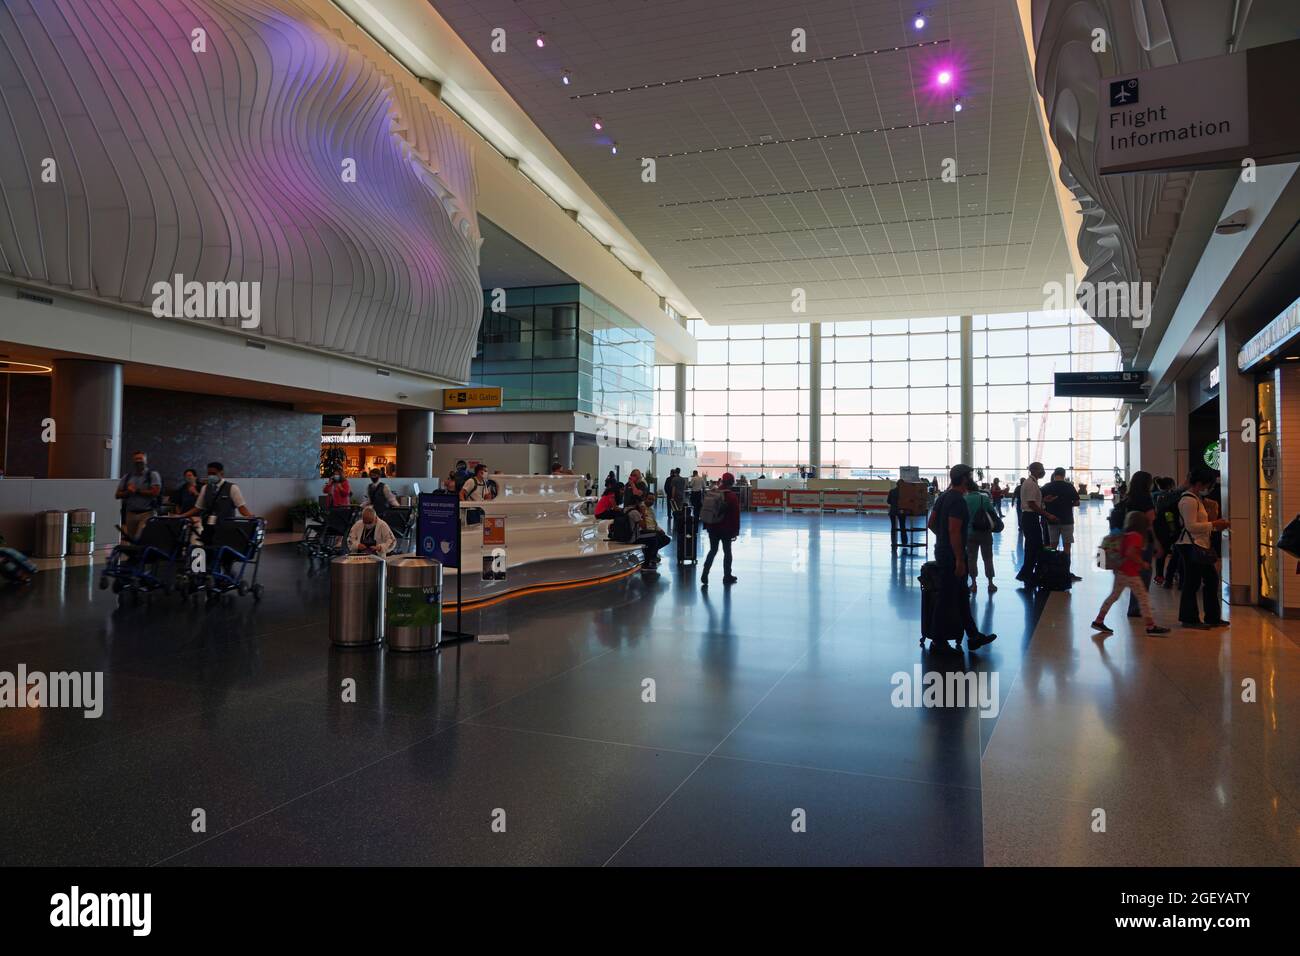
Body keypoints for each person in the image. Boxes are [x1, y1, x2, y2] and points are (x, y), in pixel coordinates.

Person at [927, 464, 996, 651]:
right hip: (952, 555)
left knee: (961, 596)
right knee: (946, 597)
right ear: (965, 478)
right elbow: (955, 531)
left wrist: (942, 539)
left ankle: (973, 635)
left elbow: (931, 523)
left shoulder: (943, 497)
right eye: (970, 476)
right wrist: (958, 558)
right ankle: (938, 640)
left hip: (943, 550)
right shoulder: (957, 500)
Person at [1092, 511, 1169, 635]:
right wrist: (1142, 563)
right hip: (1130, 573)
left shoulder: (1126, 535)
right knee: (1143, 598)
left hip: (1121, 571)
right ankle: (1151, 627)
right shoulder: (1136, 537)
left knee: (1113, 596)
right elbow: (1130, 553)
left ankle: (1098, 620)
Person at [1176, 467, 1230, 629]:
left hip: (1199, 545)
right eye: (1208, 485)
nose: (1209, 488)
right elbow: (1191, 526)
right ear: (1200, 483)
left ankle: (1212, 617)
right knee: (1192, 583)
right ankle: (1190, 618)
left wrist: (1214, 524)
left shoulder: (1196, 499)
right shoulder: (1189, 500)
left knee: (1211, 580)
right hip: (1190, 545)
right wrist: (1214, 524)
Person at [180, 462, 255, 572]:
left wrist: (250, 516)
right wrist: (181, 515)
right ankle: (202, 574)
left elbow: (241, 507)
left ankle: (227, 575)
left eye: (213, 473)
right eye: (209, 473)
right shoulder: (205, 488)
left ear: (221, 473)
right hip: (209, 527)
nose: (211, 476)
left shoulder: (232, 488)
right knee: (205, 550)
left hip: (226, 528)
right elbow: (198, 507)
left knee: (225, 555)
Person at [1117, 470, 1157, 617]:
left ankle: (1137, 606)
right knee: (1144, 574)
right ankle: (1137, 607)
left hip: (1130, 538)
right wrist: (1157, 542)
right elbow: (1150, 520)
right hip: (1144, 539)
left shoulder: (1130, 498)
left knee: (1134, 574)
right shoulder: (1146, 498)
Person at [1016, 462, 1055, 587]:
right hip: (1030, 517)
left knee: (1032, 547)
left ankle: (1026, 574)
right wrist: (1047, 514)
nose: (1043, 471)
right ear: (1035, 470)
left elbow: (1032, 501)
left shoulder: (1030, 483)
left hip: (1029, 518)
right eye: (1041, 469)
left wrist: (1043, 500)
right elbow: (1031, 504)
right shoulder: (1031, 484)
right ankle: (1027, 575)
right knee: (1035, 547)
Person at [700, 472, 740, 588]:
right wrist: (735, 531)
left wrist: (707, 525)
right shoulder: (731, 496)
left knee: (713, 550)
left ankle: (705, 573)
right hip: (726, 529)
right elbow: (735, 515)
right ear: (731, 483)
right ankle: (727, 576)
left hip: (712, 527)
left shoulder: (713, 492)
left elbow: (707, 509)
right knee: (727, 552)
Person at [1041, 467, 1081, 580]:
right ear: (1064, 475)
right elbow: (1077, 502)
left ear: (1054, 474)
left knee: (1052, 546)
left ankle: (1051, 571)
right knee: (1067, 547)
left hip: (1051, 520)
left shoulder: (1047, 486)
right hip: (1067, 520)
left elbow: (1039, 500)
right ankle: (1065, 572)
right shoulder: (1069, 486)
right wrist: (1068, 504)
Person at [116, 451, 162, 540]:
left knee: (140, 537)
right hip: (130, 513)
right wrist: (128, 492)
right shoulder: (127, 477)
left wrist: (136, 490)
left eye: (140, 459)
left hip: (147, 513)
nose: (138, 461)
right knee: (132, 539)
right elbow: (117, 495)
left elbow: (155, 492)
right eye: (136, 459)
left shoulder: (152, 475)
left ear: (146, 460)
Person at [963, 482, 998, 594]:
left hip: (970, 533)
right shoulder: (984, 499)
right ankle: (990, 583)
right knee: (988, 558)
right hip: (985, 532)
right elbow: (993, 513)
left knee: (971, 558)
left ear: (967, 489)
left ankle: (973, 583)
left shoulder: (964, 499)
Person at [887, 479, 908, 549]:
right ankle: (904, 542)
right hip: (901, 511)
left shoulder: (892, 491)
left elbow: (888, 501)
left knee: (893, 527)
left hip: (892, 511)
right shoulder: (905, 493)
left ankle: (893, 542)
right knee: (902, 526)